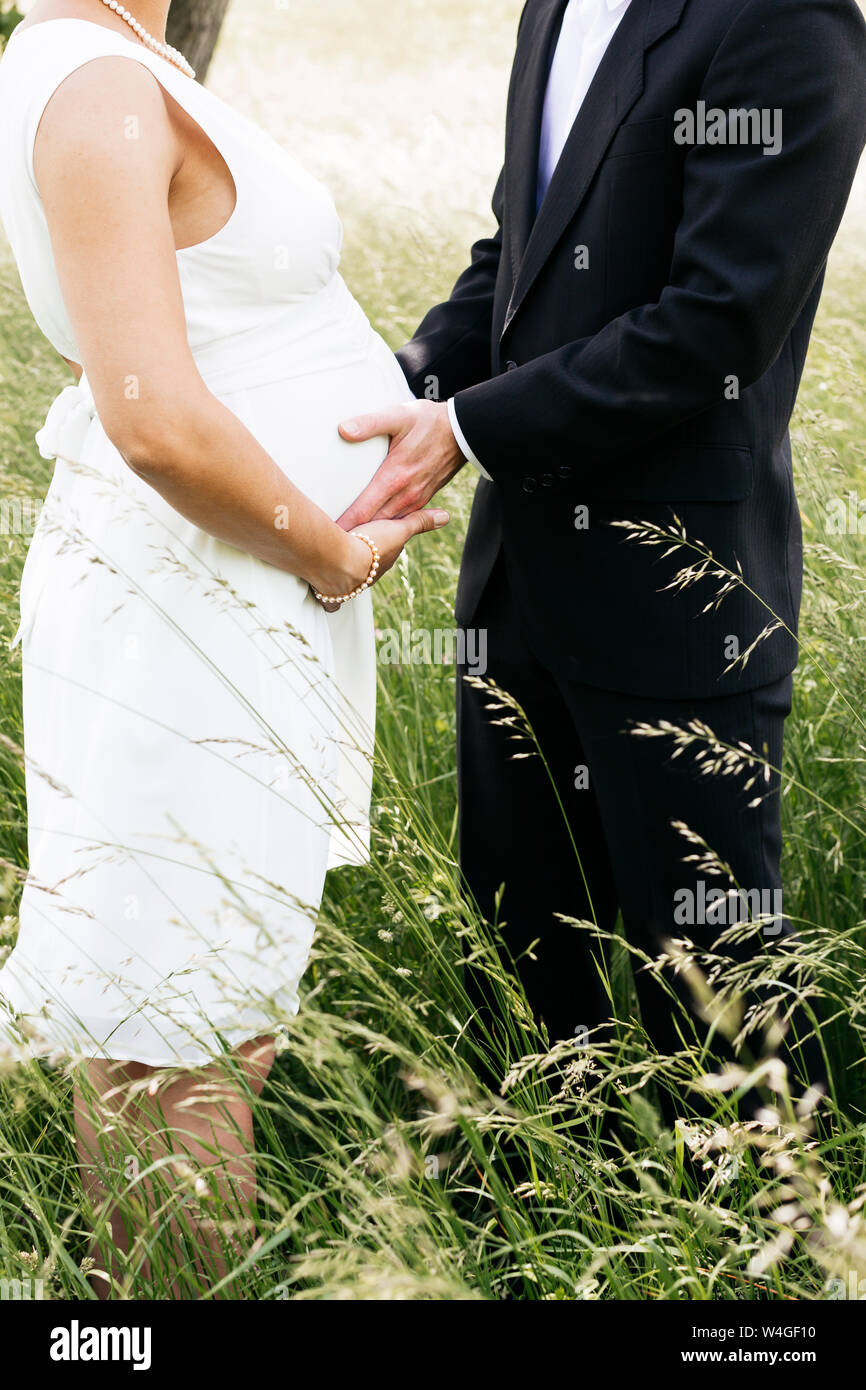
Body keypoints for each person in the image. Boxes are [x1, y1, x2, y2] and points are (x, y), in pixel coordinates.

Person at [338, 0, 866, 1099]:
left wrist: (468, 430)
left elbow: (716, 320)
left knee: (718, 1005)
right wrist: (398, 385)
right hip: (511, 582)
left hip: (677, 598)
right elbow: (514, 263)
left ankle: (757, 1260)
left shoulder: (784, 21)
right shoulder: (553, 7)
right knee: (523, 977)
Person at [0, 0, 448, 1292]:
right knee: (180, 1039)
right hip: (189, 620)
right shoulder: (91, 85)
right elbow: (154, 418)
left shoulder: (121, 64)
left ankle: (126, 1319)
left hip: (210, 614)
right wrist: (331, 547)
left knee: (173, 1024)